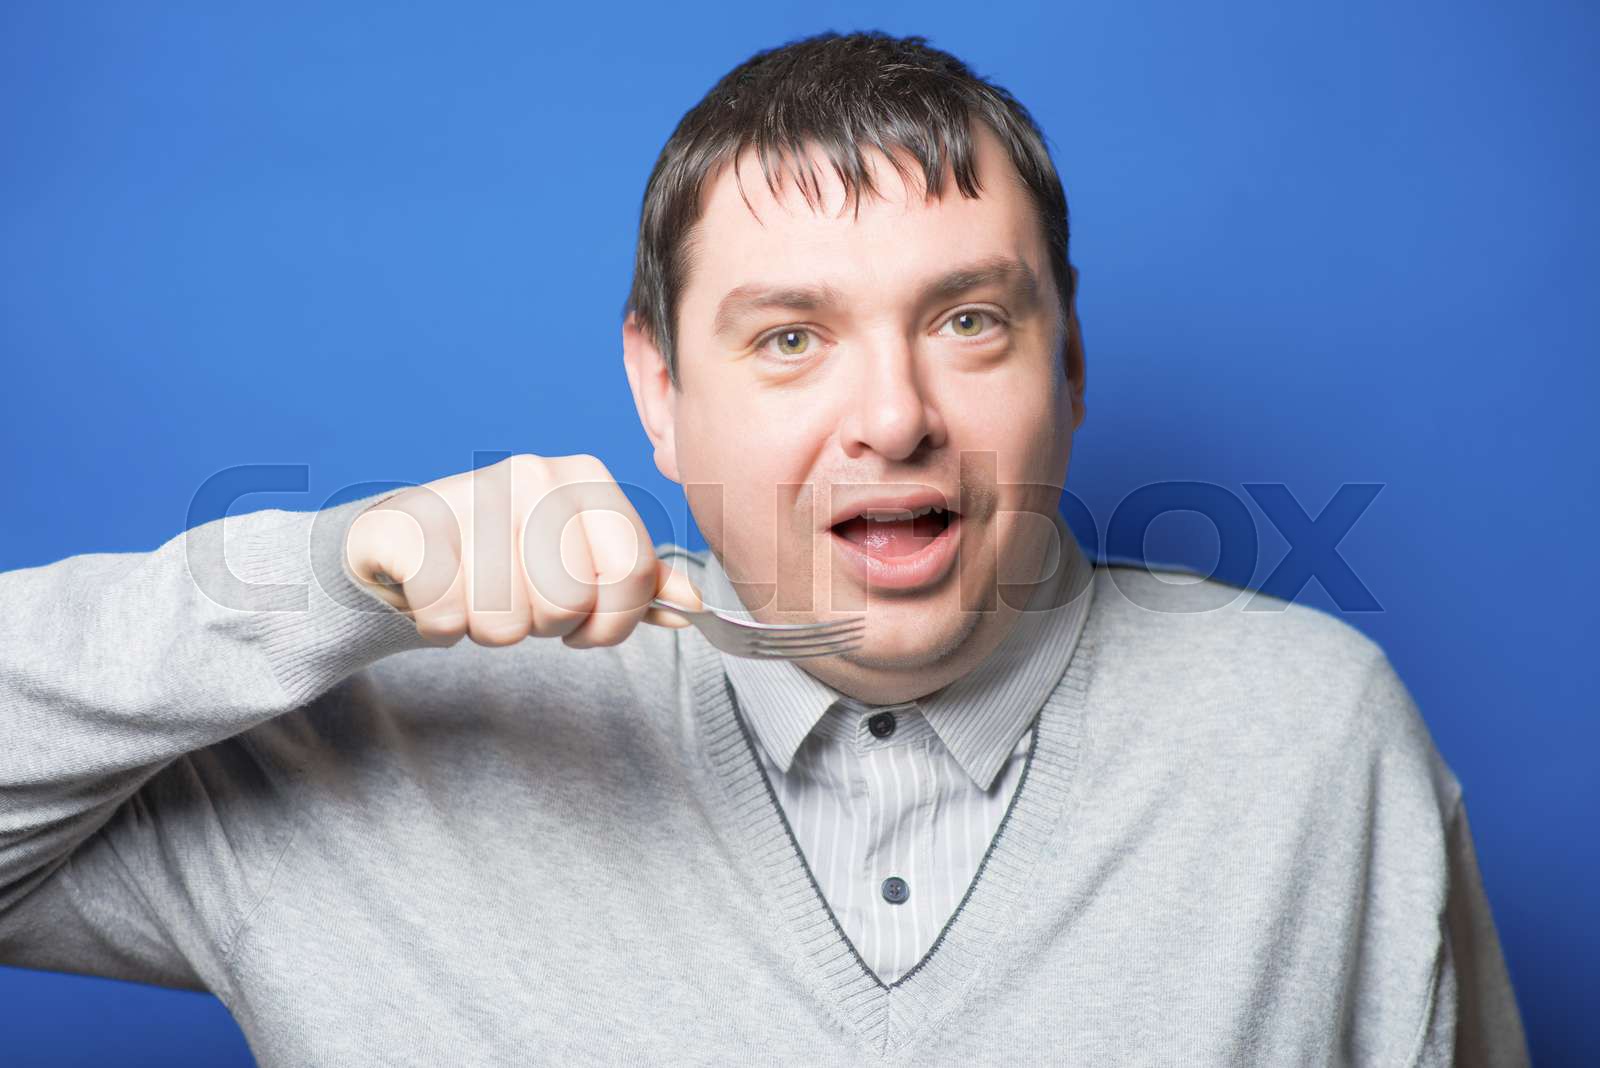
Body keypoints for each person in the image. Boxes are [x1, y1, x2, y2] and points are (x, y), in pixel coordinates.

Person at [0, 30, 1527, 1067]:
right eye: (790, 337)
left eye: (969, 320)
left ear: (1067, 366)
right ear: (661, 391)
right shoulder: (359, 757)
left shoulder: (1311, 736)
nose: (892, 415)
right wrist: (325, 578)